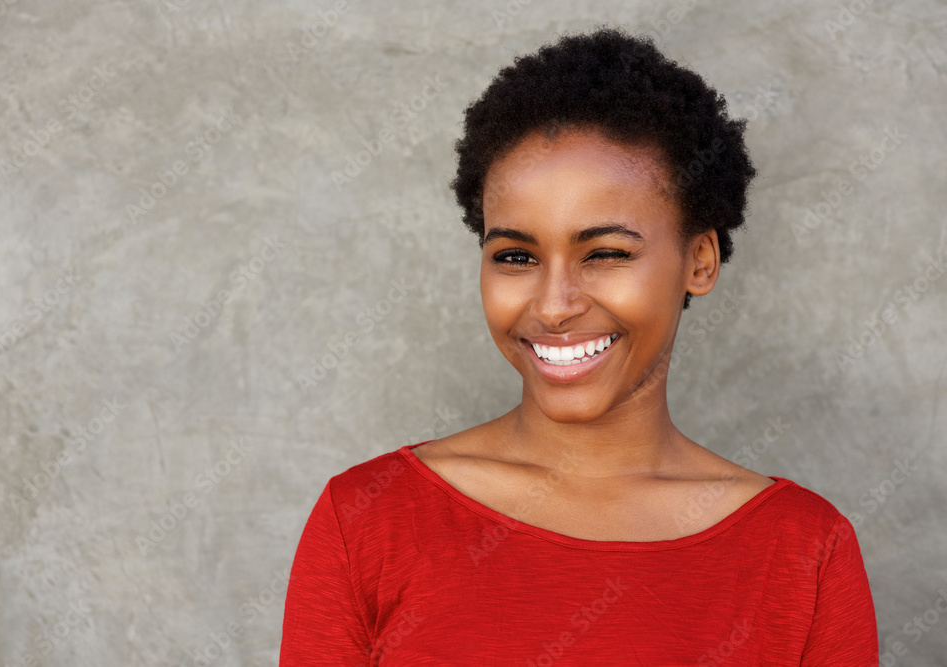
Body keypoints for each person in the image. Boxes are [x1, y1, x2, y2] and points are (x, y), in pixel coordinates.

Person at [279, 25, 879, 665]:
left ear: (699, 261)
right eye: (515, 255)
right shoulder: (368, 522)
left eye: (606, 253)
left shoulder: (804, 552)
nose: (554, 303)